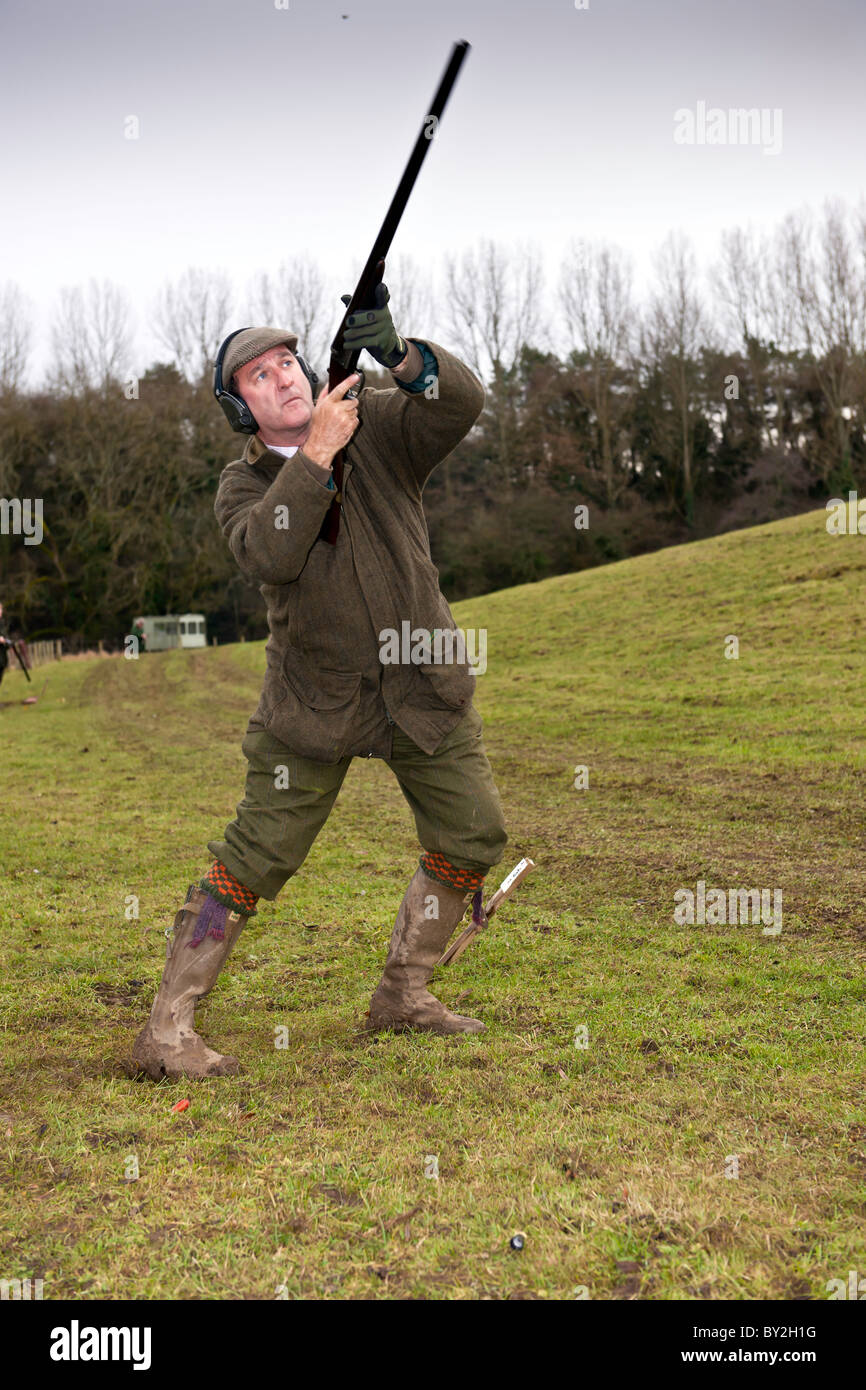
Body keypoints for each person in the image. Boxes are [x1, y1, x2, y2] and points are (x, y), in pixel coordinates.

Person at [133, 285, 508, 1082]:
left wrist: (403, 357)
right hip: (313, 706)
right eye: (258, 379)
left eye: (286, 364)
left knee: (472, 833)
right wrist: (315, 458)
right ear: (241, 411)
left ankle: (404, 994)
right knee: (250, 860)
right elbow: (272, 553)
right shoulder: (240, 490)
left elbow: (461, 404)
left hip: (421, 683)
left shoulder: (378, 417)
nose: (282, 380)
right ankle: (166, 1029)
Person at [0, 602, 12, 686]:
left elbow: (6, 639)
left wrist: (7, 642)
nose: (0, 611)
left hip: (2, 660)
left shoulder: (2, 624)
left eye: (0, 609)